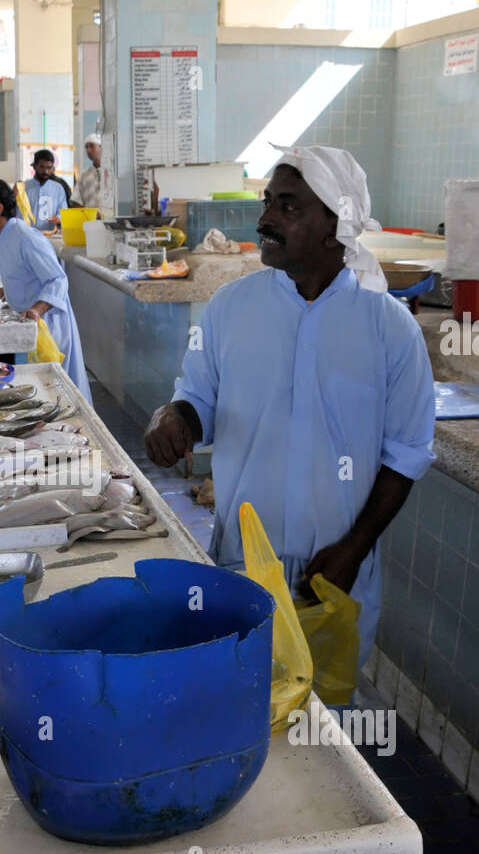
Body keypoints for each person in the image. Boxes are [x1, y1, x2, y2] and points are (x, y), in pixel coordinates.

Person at [143, 145, 436, 670]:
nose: (265, 219)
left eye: (289, 207)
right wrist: (173, 420)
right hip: (240, 566)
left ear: (334, 226)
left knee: (321, 737)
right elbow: (198, 398)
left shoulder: (390, 329)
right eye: (268, 201)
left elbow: (407, 454)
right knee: (236, 712)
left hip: (333, 576)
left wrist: (354, 549)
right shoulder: (231, 308)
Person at [0, 178, 91, 403]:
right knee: (42, 393)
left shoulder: (24, 236)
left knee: (58, 395)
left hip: (49, 324)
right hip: (31, 325)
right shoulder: (6, 236)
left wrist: (37, 308)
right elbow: (27, 272)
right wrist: (12, 289)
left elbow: (57, 279)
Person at [23, 150, 69, 228]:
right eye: (42, 167)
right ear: (34, 166)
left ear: (53, 168)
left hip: (51, 237)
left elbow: (63, 213)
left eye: (49, 167)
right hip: (28, 236)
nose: (46, 171)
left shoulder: (58, 188)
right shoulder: (24, 187)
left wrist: (58, 219)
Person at [71, 133, 102, 209]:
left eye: (92, 146)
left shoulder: (113, 173)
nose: (88, 150)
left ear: (101, 147)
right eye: (86, 147)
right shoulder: (84, 175)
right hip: (90, 220)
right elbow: (76, 201)